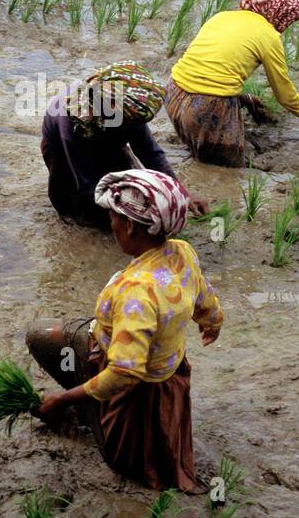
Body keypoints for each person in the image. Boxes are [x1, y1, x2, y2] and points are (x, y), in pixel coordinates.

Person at [27, 168, 223, 493]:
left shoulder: (137, 291)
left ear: (130, 225)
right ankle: (89, 396)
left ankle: (91, 407)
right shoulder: (180, 252)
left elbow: (124, 374)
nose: (111, 223)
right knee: (59, 338)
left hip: (137, 392)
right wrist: (212, 321)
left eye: (113, 217)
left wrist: (62, 400)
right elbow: (204, 295)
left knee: (40, 335)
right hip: (167, 374)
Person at [165, 0, 299, 165]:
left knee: (202, 155)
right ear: (275, 10)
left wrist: (240, 98)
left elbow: (205, 69)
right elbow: (284, 93)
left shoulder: (221, 17)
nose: (285, 23)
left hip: (173, 95)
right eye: (286, 15)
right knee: (228, 169)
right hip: (206, 106)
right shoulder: (268, 35)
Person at [40, 62, 207, 229]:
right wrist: (127, 219)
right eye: (129, 123)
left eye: (134, 123)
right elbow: (86, 183)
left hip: (106, 132)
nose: (134, 126)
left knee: (121, 183)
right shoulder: (71, 123)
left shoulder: (128, 112)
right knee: (74, 200)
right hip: (61, 147)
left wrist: (182, 195)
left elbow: (150, 153)